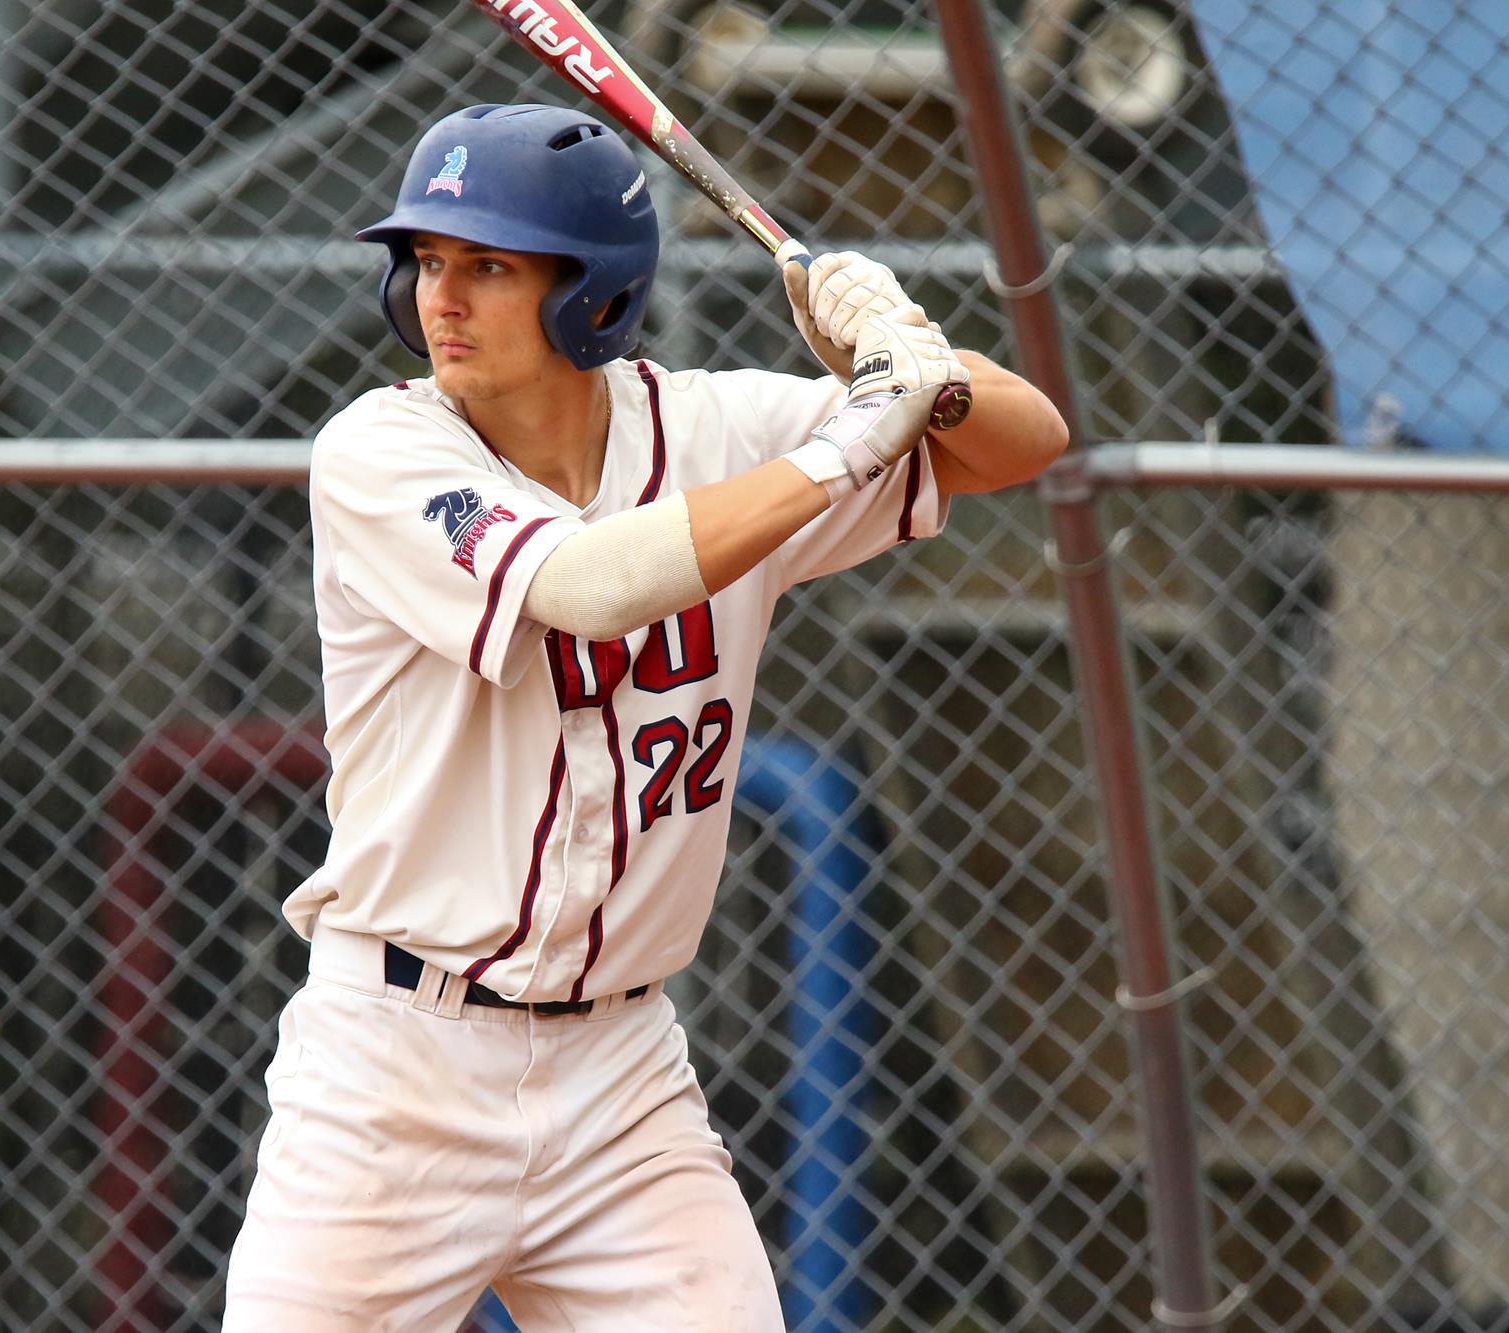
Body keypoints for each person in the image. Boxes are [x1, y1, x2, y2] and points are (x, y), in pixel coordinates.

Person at [223, 102, 1068, 1332]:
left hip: (619, 1080)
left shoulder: (714, 430)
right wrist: (843, 445)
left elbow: (1025, 440)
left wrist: (905, 355)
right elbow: (584, 586)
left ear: (594, 298)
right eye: (427, 264)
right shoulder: (380, 449)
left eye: (491, 268)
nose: (439, 299)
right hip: (394, 1068)